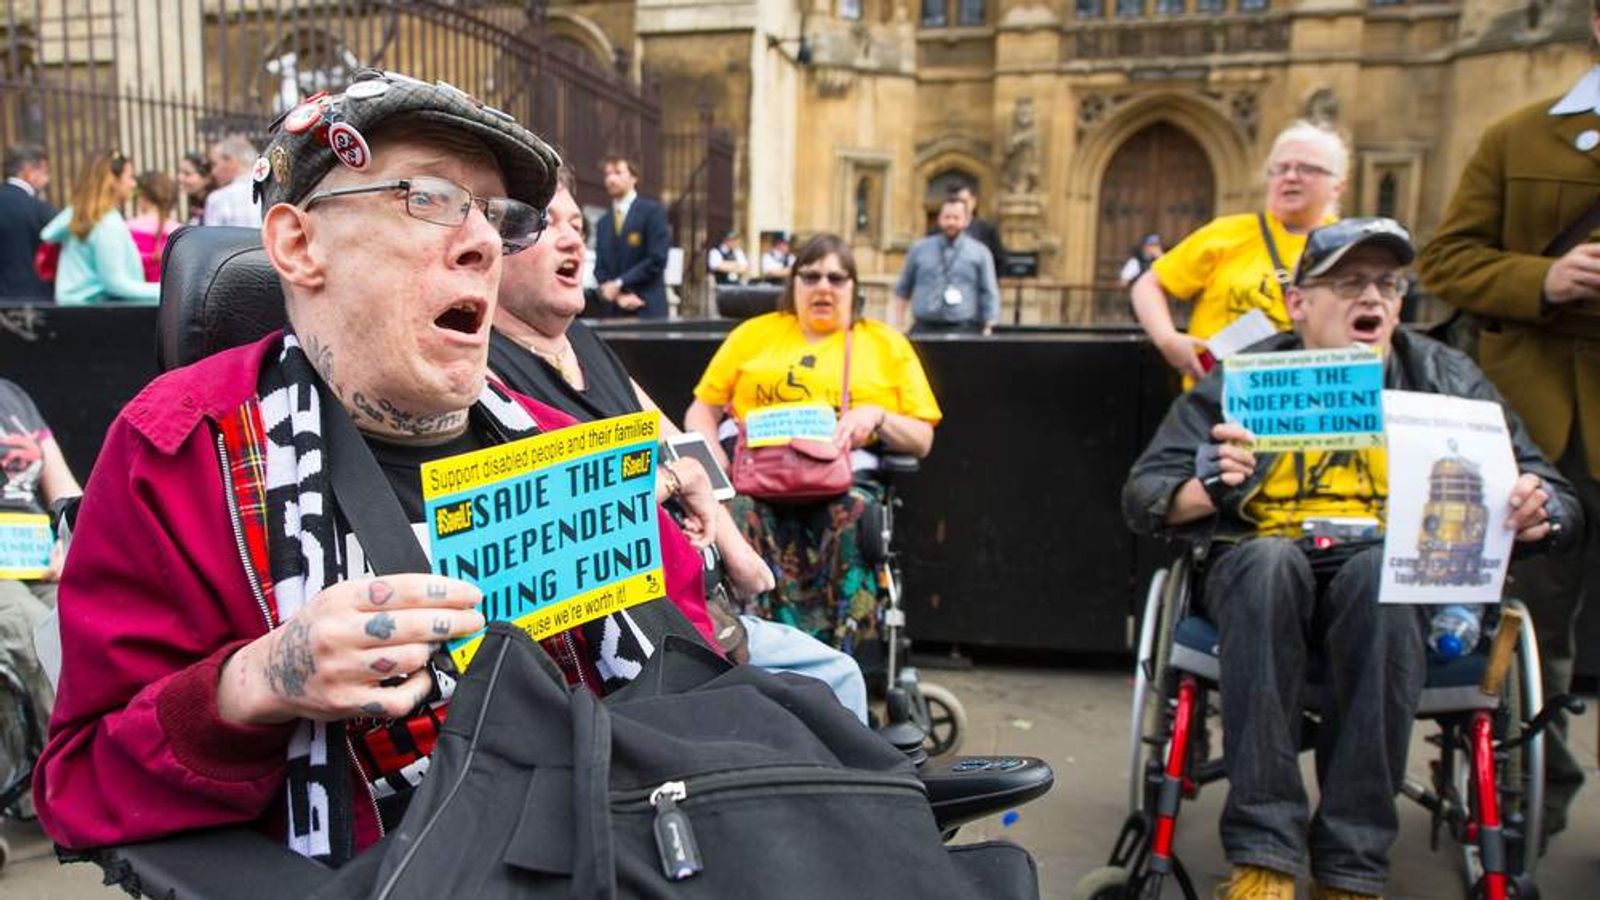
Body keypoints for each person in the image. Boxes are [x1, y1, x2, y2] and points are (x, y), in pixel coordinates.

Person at [34, 71, 726, 862]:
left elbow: (691, 673)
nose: (483, 243)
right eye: (427, 197)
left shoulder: (559, 442)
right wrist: (259, 683)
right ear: (298, 244)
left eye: (498, 215)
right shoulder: (181, 454)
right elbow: (80, 786)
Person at [1123, 218, 1579, 900]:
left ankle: (1351, 866)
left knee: (1380, 575)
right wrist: (1207, 483)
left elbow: (1557, 497)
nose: (1373, 296)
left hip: (1390, 579)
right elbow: (1145, 494)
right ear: (1298, 302)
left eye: (1387, 283)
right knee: (1270, 562)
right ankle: (1265, 855)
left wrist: (1540, 507)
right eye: (1348, 282)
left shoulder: (1445, 376)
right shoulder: (1243, 382)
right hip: (1264, 574)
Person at [488, 169, 867, 719]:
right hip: (641, 653)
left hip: (706, 609)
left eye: (577, 224)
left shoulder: (584, 342)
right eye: (547, 225)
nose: (574, 238)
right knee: (831, 690)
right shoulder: (491, 372)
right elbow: (555, 527)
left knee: (840, 677)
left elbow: (677, 440)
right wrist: (670, 481)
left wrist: (737, 551)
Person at [1417, 24, 1600, 834]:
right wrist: (1545, 277)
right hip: (1543, 418)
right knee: (1536, 628)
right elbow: (1446, 262)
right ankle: (1530, 807)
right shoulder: (1519, 134)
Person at [686, 234, 943, 650]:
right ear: (793, 284)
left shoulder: (884, 344)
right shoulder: (754, 335)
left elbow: (921, 439)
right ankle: (754, 647)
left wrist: (876, 416)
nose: (823, 287)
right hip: (756, 478)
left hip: (842, 481)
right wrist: (714, 460)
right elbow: (702, 410)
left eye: (837, 278)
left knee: (856, 515)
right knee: (730, 515)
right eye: (811, 276)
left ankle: (838, 649)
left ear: (854, 289)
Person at [1131, 121, 1346, 387]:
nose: (1290, 177)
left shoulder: (1352, 246)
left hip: (1310, 401)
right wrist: (1167, 340)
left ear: (1337, 186)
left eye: (1307, 169)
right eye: (1280, 168)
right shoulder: (1228, 233)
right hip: (1220, 401)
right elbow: (1149, 284)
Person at [0, 378, 80, 806]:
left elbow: (65, 489)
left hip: (36, 562)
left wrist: (69, 540)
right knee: (33, 633)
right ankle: (77, 784)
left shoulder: (13, 396)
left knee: (89, 621)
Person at [39, 150, 161, 305]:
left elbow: (47, 234)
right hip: (97, 314)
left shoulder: (80, 216)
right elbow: (115, 283)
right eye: (130, 177)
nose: (133, 184)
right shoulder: (107, 224)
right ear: (112, 180)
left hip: (73, 309)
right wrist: (162, 291)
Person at [892, 194, 1001, 336]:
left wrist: (990, 325)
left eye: (956, 218)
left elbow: (989, 292)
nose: (951, 222)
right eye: (947, 217)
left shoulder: (980, 252)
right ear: (939, 219)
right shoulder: (919, 249)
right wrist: (899, 324)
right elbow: (903, 289)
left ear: (967, 220)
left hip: (964, 328)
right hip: (924, 328)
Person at [593, 155, 670, 318]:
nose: (611, 179)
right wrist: (618, 296)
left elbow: (657, 259)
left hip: (645, 306)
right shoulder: (603, 223)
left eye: (618, 173)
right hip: (614, 311)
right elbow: (600, 268)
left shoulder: (652, 212)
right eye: (607, 174)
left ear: (634, 177)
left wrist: (619, 283)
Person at [1, 144, 56, 303]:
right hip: (33, 300)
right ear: (28, 171)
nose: (47, 178)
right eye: (44, 171)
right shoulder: (38, 209)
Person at [126, 170, 181, 282]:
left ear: (143, 196)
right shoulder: (180, 232)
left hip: (137, 295)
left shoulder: (127, 228)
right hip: (171, 297)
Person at [202, 134, 262, 228]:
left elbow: (213, 241)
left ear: (231, 161)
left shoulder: (218, 199)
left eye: (214, 164)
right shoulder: (271, 190)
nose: (213, 172)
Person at [953, 184, 1005, 269]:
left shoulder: (987, 229)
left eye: (965, 201)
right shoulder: (940, 230)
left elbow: (999, 258)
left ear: (973, 202)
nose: (961, 205)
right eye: (958, 202)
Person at [177, 151, 213, 225]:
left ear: (207, 178)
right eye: (180, 172)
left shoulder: (216, 203)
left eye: (187, 173)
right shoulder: (195, 200)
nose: (180, 177)